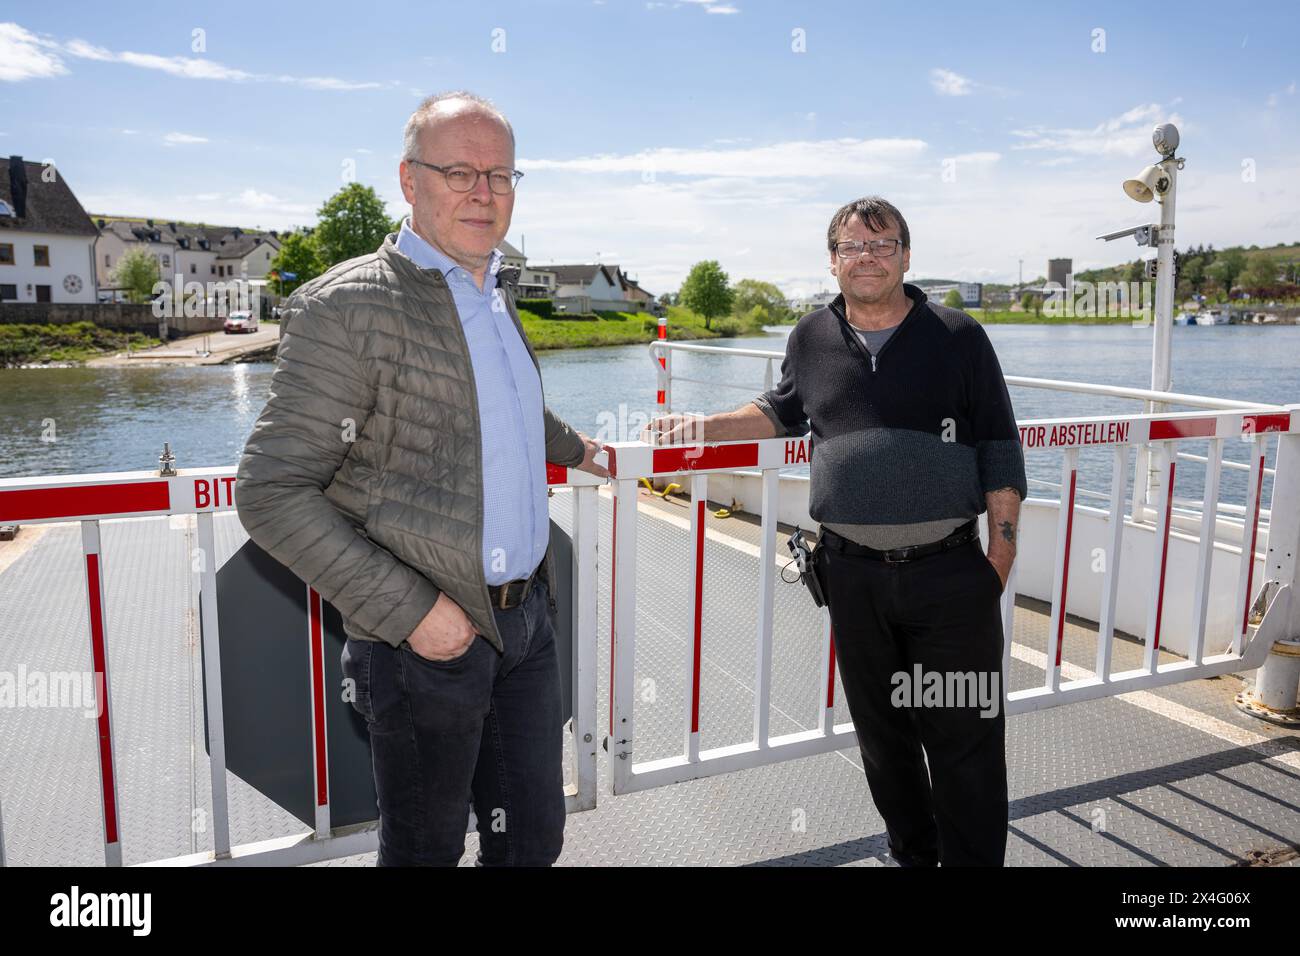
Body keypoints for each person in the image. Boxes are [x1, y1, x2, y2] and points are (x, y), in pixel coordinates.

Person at [235, 91, 607, 866]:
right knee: (424, 851)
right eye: (460, 172)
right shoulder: (345, 307)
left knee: (533, 841)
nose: (484, 193)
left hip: (525, 622)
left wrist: (580, 449)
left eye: (501, 175)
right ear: (409, 180)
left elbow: (507, 408)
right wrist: (416, 614)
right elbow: (270, 492)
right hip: (423, 644)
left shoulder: (494, 290)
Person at [646, 196, 1026, 866]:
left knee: (966, 743)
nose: (869, 259)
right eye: (854, 247)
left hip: (948, 577)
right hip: (852, 578)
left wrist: (997, 556)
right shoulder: (810, 337)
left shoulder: (958, 336)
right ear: (833, 260)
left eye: (884, 246)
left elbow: (999, 445)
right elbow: (780, 410)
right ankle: (914, 854)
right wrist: (701, 429)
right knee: (885, 743)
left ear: (906, 256)